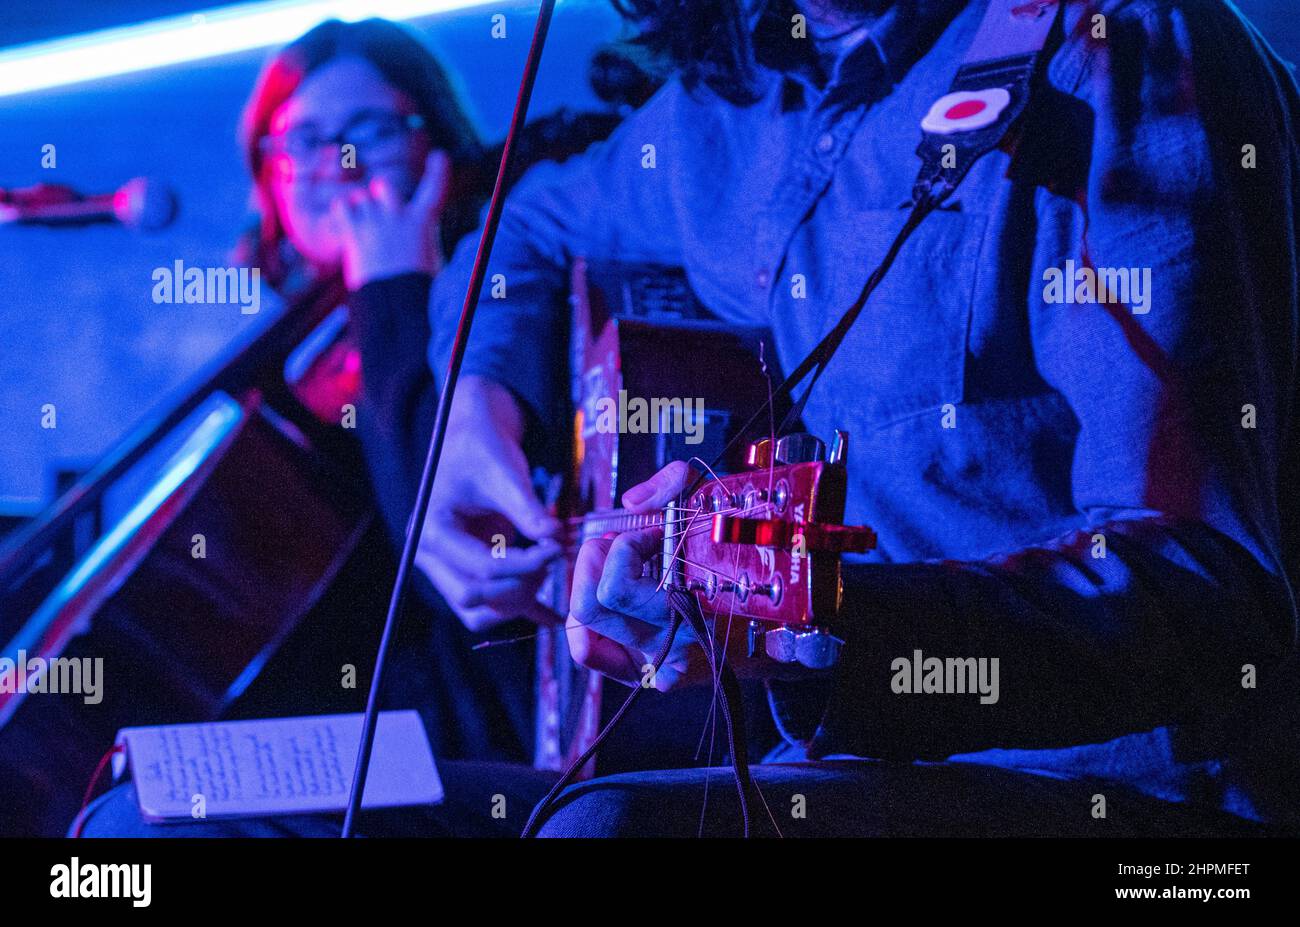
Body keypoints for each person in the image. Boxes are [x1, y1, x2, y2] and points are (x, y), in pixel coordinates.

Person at [418, 0, 1300, 835]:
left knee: (604, 827)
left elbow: (1215, 593)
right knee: (356, 794)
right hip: (837, 774)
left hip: (1132, 800)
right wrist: (471, 411)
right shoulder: (725, 112)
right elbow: (521, 227)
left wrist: (823, 625)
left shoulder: (1116, 47)